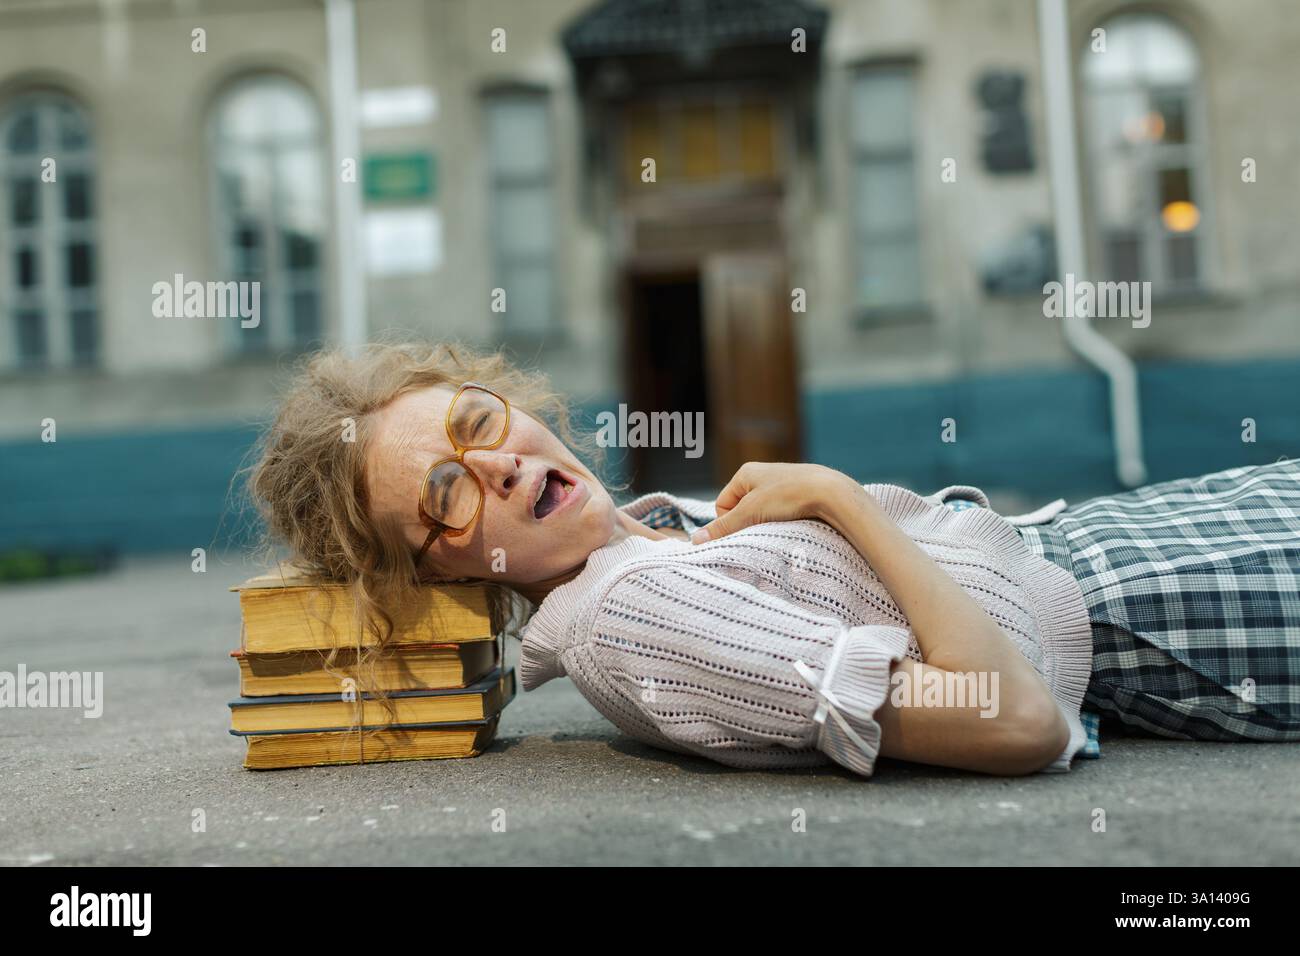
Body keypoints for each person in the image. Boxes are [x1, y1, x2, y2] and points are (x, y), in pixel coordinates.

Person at [248, 342, 1300, 777]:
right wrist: (839, 496)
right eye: (447, 494)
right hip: (1156, 612)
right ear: (436, 569)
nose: (502, 468)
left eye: (481, 421)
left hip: (1127, 538)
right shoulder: (636, 613)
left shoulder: (641, 539)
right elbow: (1012, 718)